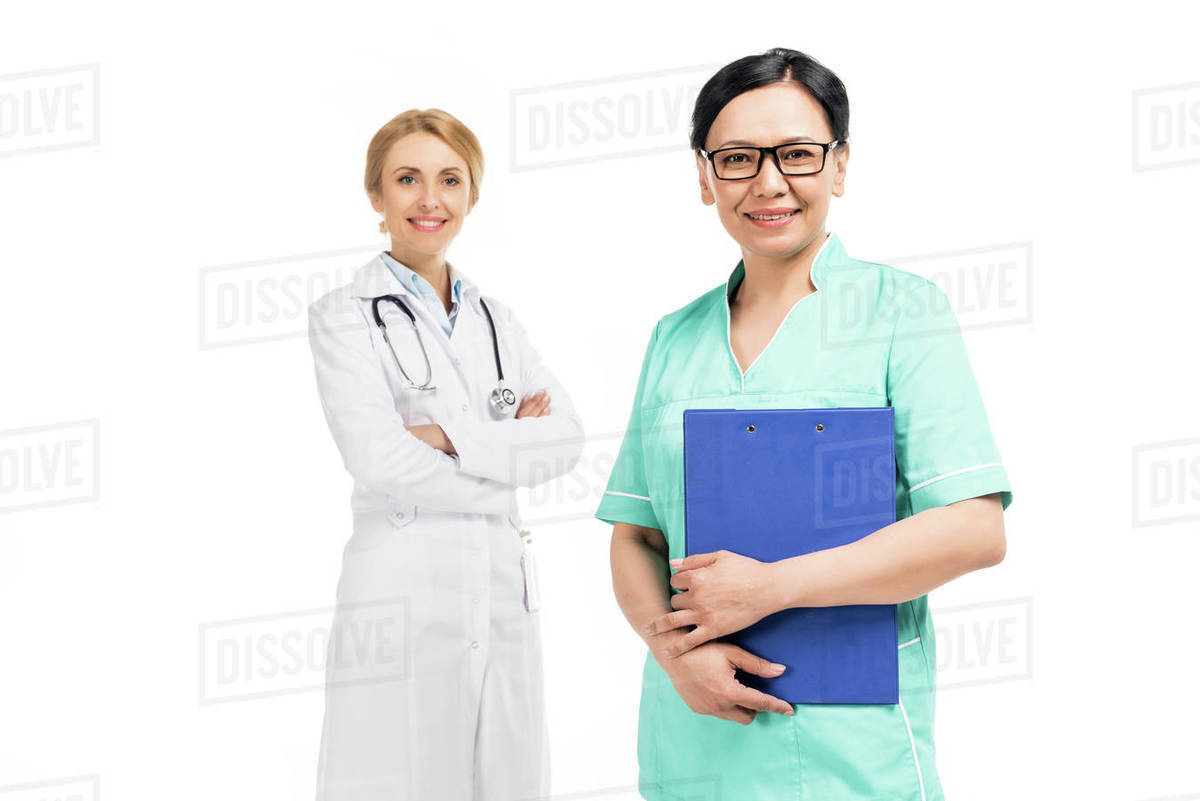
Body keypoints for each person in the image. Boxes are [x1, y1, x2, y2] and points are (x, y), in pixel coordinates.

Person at [597, 48, 1013, 801]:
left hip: (850, 751)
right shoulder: (674, 337)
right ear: (703, 176)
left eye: (796, 154)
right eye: (737, 158)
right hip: (695, 741)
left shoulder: (901, 312)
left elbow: (973, 527)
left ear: (840, 166)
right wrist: (674, 653)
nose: (768, 182)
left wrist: (772, 589)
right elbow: (637, 533)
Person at [308, 108, 583, 800]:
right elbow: (379, 459)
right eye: (407, 178)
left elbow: (566, 439)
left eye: (449, 179)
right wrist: (506, 460)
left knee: (509, 777)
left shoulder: (498, 320)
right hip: (400, 588)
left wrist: (450, 437)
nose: (430, 199)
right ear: (376, 194)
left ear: (471, 195)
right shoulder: (345, 314)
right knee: (397, 775)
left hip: (498, 589)